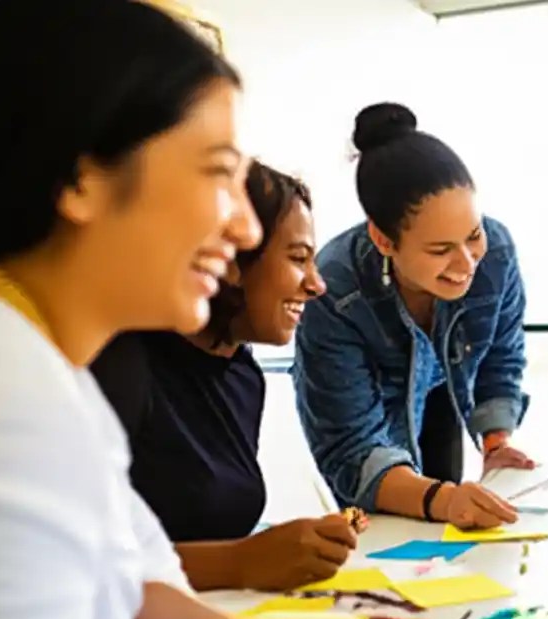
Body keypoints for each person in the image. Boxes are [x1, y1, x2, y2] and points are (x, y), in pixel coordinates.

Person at [0, 1, 448, 619]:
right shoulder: (15, 399)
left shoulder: (59, 386)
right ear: (83, 179)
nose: (239, 227)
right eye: (215, 174)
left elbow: (145, 602)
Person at [90, 160, 361, 592]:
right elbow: (86, 560)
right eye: (297, 259)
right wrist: (240, 563)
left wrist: (291, 548)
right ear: (228, 258)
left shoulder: (243, 374)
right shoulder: (118, 368)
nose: (317, 284)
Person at [293, 102, 532, 529]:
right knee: (394, 539)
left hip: (444, 393)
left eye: (472, 236)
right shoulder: (333, 291)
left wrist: (496, 443)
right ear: (384, 240)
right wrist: (444, 499)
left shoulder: (495, 250)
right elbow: (352, 450)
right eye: (440, 250)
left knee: (454, 535)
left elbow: (499, 355)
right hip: (372, 426)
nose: (466, 264)